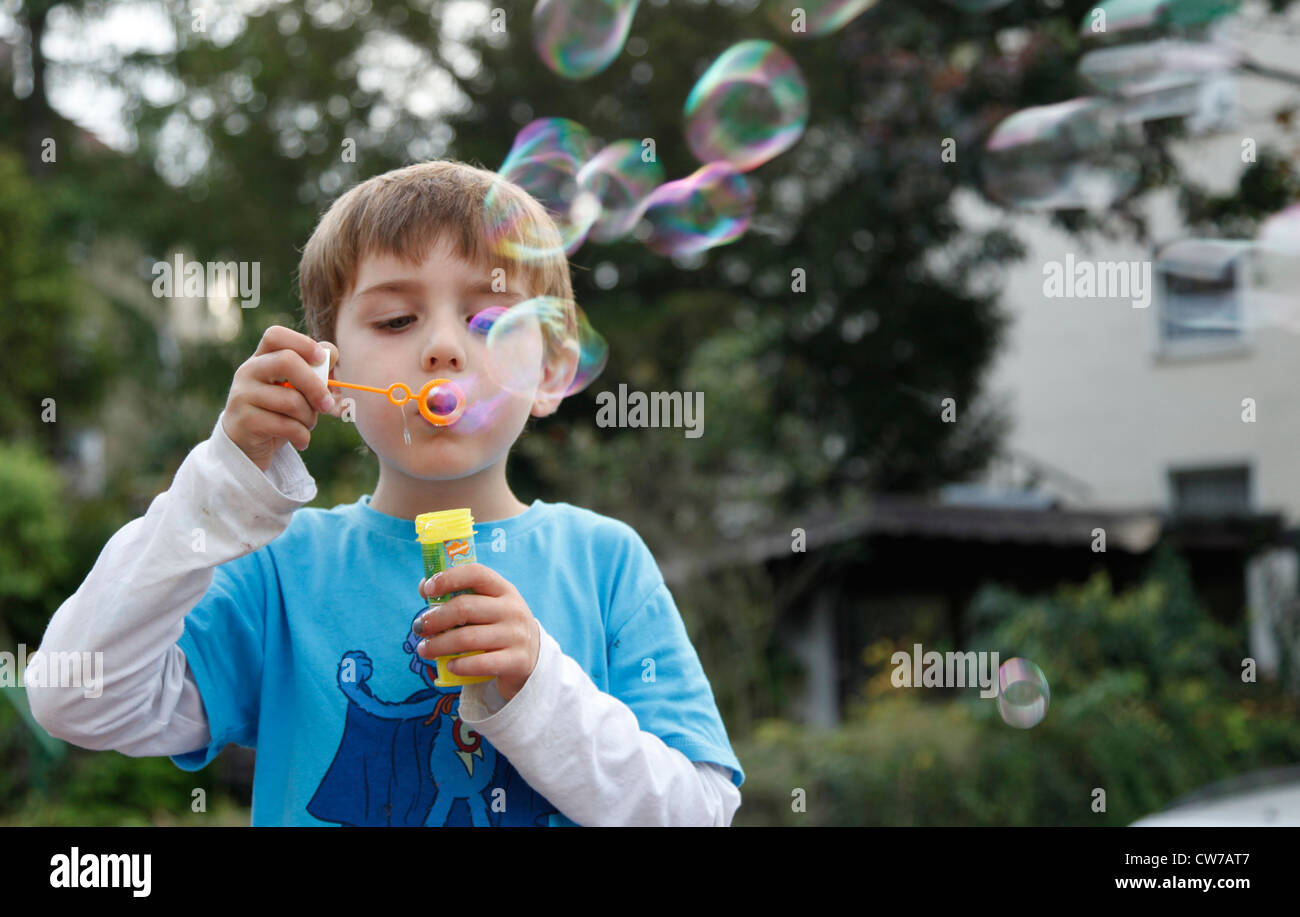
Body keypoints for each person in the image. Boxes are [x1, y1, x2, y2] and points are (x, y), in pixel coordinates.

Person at [26, 159, 744, 826]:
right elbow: (75, 697)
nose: (442, 347)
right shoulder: (280, 567)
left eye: (488, 318)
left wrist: (539, 687)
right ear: (329, 374)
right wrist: (223, 479)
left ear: (553, 371)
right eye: (397, 319)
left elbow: (700, 810)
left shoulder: (605, 563)